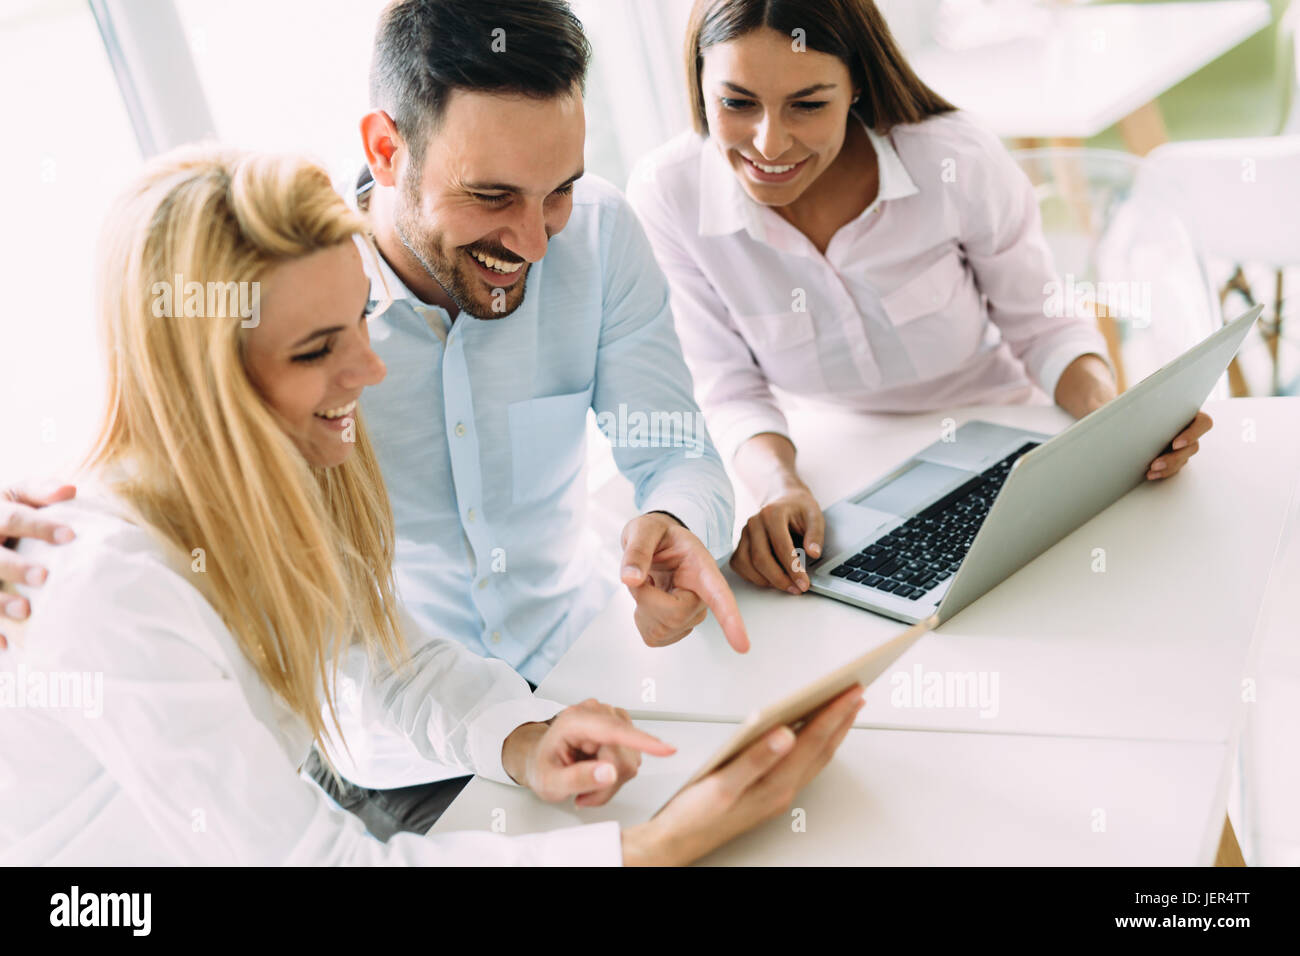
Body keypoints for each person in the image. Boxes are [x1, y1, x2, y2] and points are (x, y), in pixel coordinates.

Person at [0, 0, 749, 834]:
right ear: (386, 151)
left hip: (563, 676)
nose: (537, 243)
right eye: (491, 194)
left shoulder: (588, 243)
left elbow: (378, 641)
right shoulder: (121, 569)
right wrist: (648, 850)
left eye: (559, 193)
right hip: (396, 763)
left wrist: (675, 525)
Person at [626, 0, 1214, 596]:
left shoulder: (953, 160)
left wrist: (1114, 425)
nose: (770, 143)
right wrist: (779, 486)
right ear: (699, 84)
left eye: (808, 105)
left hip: (1003, 440)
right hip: (836, 469)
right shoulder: (669, 194)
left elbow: (1044, 329)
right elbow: (728, 389)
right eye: (736, 102)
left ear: (857, 83)